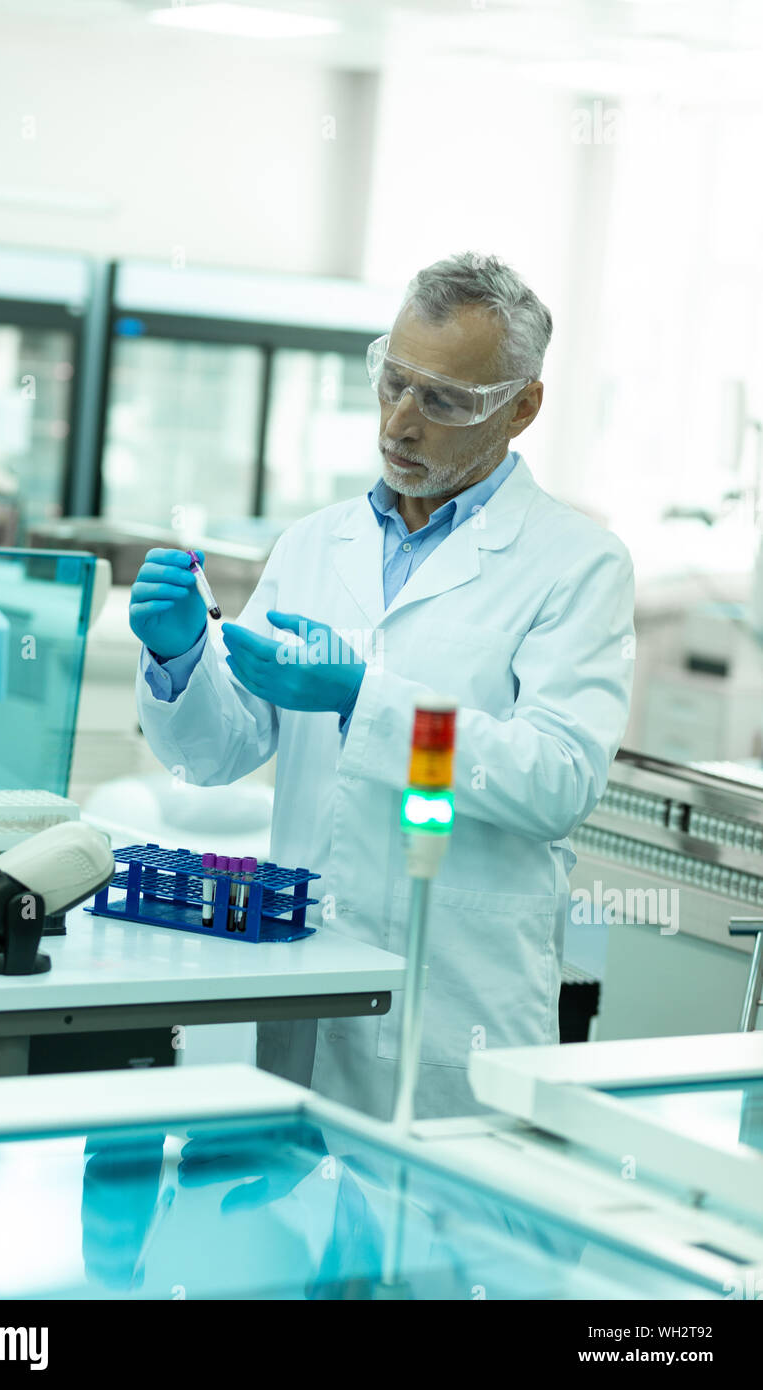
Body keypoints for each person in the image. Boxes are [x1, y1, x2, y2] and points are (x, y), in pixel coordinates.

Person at [129, 252, 635, 1121]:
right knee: (286, 1238)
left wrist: (363, 698)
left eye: (441, 400)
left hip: (453, 1011)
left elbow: (558, 781)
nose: (400, 423)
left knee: (433, 1251)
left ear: (521, 407)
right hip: (303, 984)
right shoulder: (315, 543)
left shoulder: (576, 566)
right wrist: (181, 661)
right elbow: (219, 754)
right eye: (393, 381)